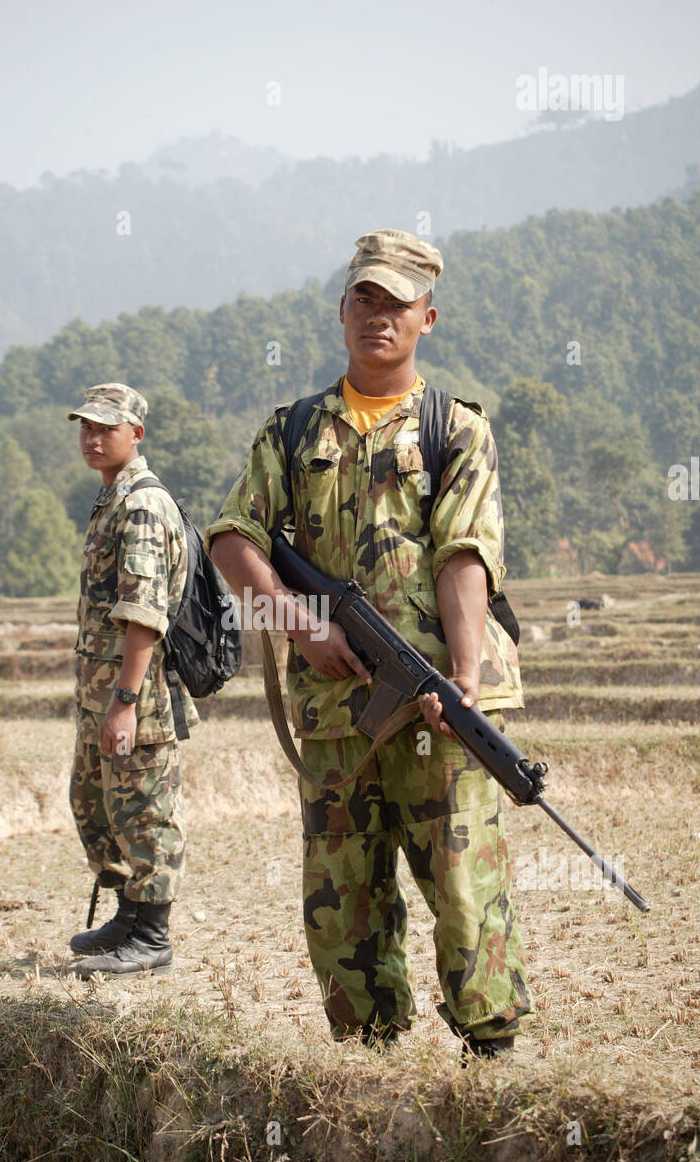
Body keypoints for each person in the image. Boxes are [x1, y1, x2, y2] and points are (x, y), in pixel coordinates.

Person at [206, 230, 533, 1058]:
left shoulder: (454, 429)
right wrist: (296, 622)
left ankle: (491, 1053)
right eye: (364, 299)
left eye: (396, 303)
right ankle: (367, 1063)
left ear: (430, 316)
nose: (377, 316)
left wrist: (462, 679)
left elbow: (467, 557)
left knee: (464, 885)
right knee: (343, 894)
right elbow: (233, 537)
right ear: (342, 310)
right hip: (338, 709)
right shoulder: (291, 432)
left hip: (438, 705)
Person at [66, 382, 197, 978]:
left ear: (135, 434)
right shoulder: (110, 499)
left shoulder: (141, 506)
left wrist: (123, 702)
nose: (93, 438)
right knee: (98, 806)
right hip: (105, 697)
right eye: (86, 427)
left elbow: (144, 613)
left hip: (136, 699)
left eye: (106, 428)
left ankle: (151, 936)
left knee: (144, 813)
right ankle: (128, 915)